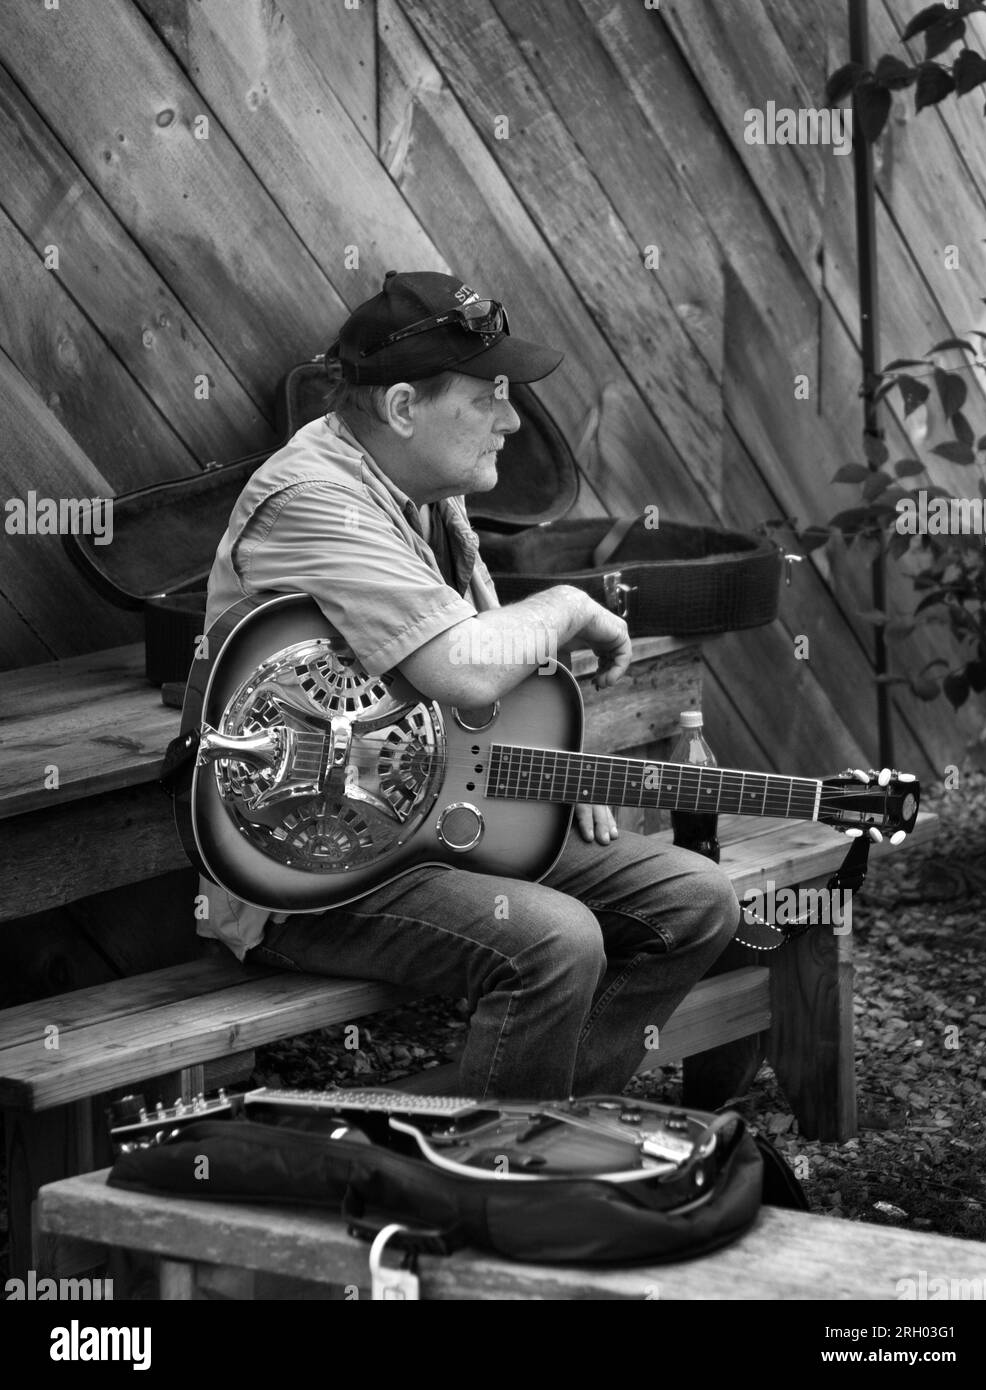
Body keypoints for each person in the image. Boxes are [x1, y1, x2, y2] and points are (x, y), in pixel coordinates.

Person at [199, 269, 740, 1101]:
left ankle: (553, 1119)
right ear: (405, 407)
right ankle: (485, 1176)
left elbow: (485, 686)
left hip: (441, 822)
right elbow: (464, 664)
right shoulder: (317, 500)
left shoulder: (423, 496)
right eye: (489, 396)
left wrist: (562, 759)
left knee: (697, 899)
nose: (513, 420)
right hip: (312, 867)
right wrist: (566, 601)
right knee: (557, 940)